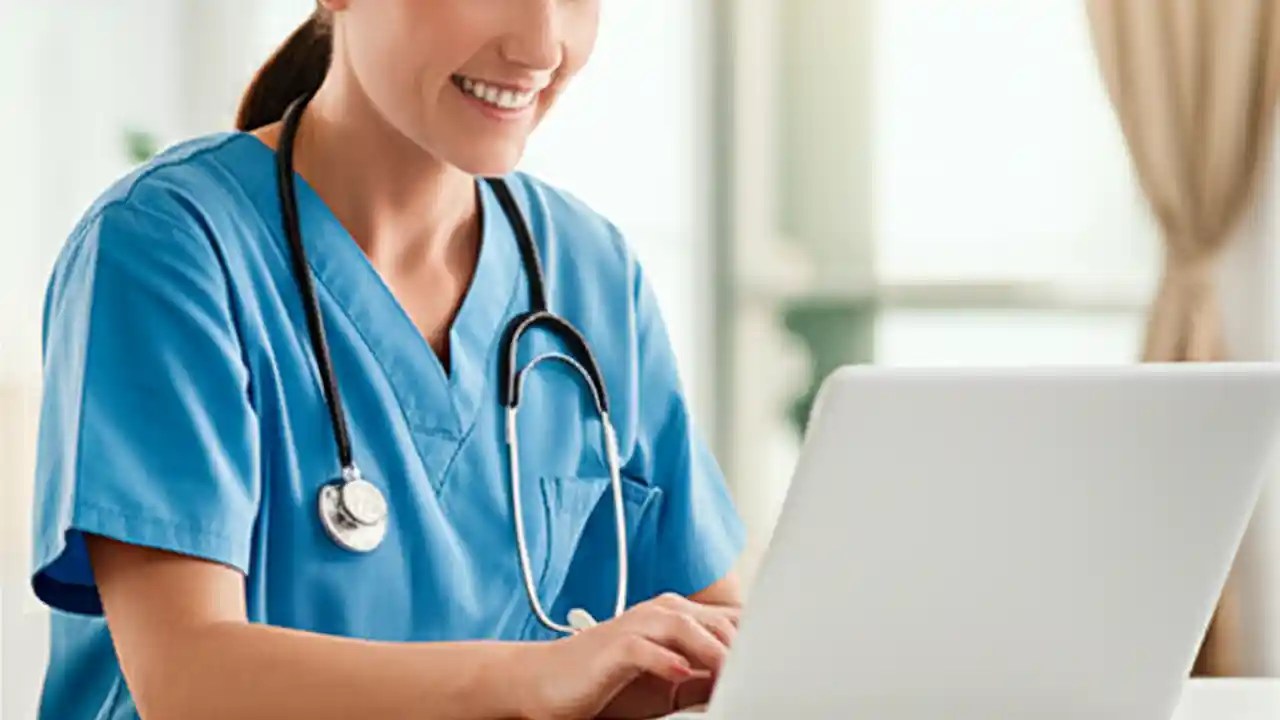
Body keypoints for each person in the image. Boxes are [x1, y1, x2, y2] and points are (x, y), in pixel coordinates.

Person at [29, 2, 745, 718]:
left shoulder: (590, 273)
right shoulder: (168, 247)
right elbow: (188, 680)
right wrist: (537, 679)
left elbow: (720, 645)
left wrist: (648, 672)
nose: (540, 47)